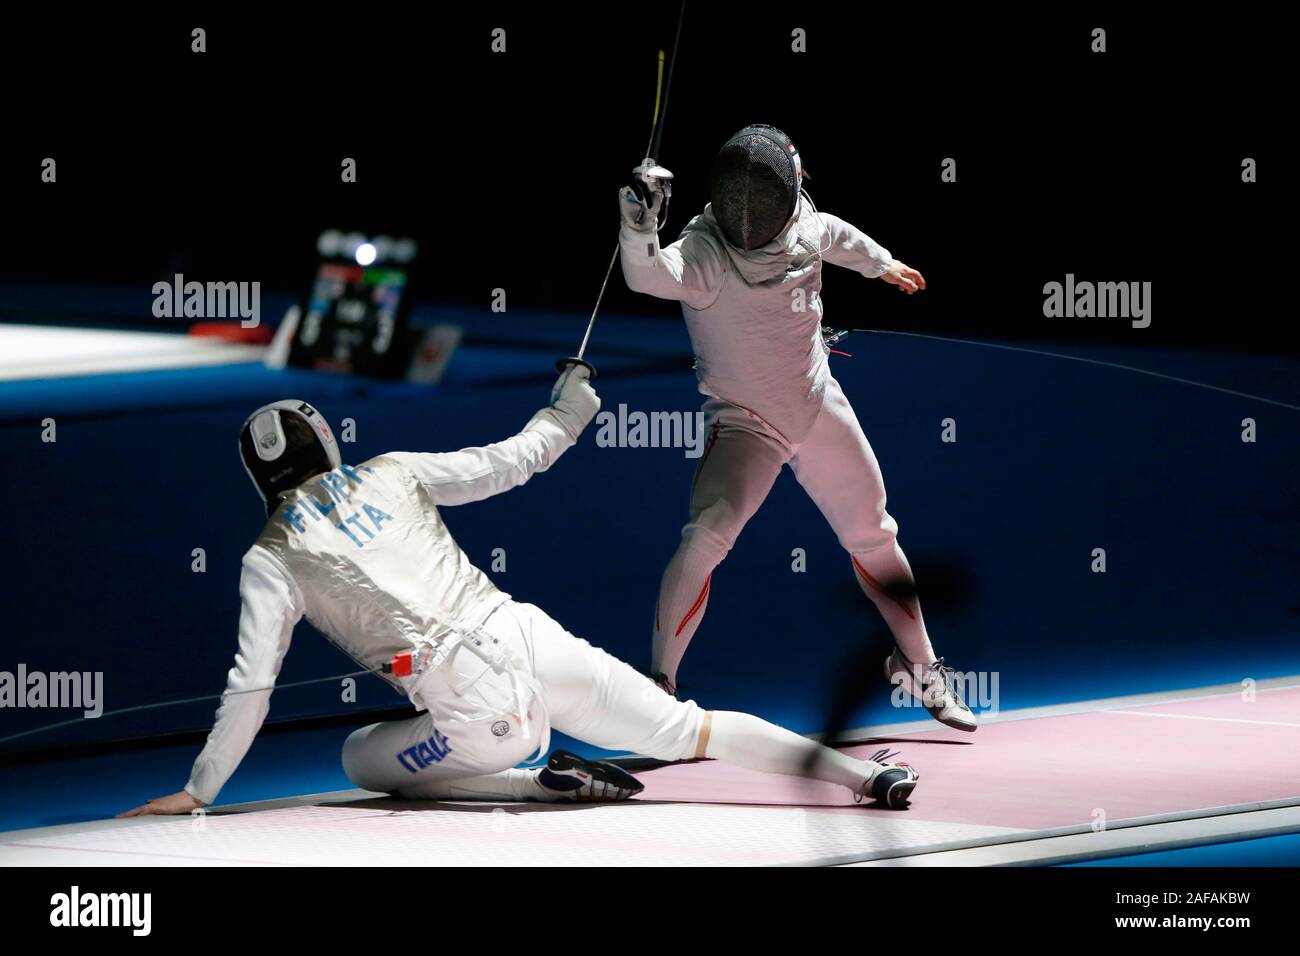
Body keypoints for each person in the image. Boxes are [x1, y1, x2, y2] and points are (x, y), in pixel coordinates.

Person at [121, 367, 921, 817]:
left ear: (258, 479)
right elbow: (513, 459)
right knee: (693, 727)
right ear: (327, 443)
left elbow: (252, 685)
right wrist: (570, 409)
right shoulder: (392, 472)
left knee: (359, 756)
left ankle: (533, 781)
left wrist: (198, 791)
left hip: (476, 717)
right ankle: (864, 778)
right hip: (532, 638)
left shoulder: (269, 556)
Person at [619, 124, 976, 731]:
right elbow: (646, 275)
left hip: (816, 404)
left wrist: (882, 265)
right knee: (706, 536)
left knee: (873, 533)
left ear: (788, 192)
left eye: (762, 200)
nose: (751, 213)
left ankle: (917, 665)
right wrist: (639, 227)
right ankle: (659, 690)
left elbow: (837, 235)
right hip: (746, 423)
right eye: (742, 201)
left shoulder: (805, 225)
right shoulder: (704, 253)